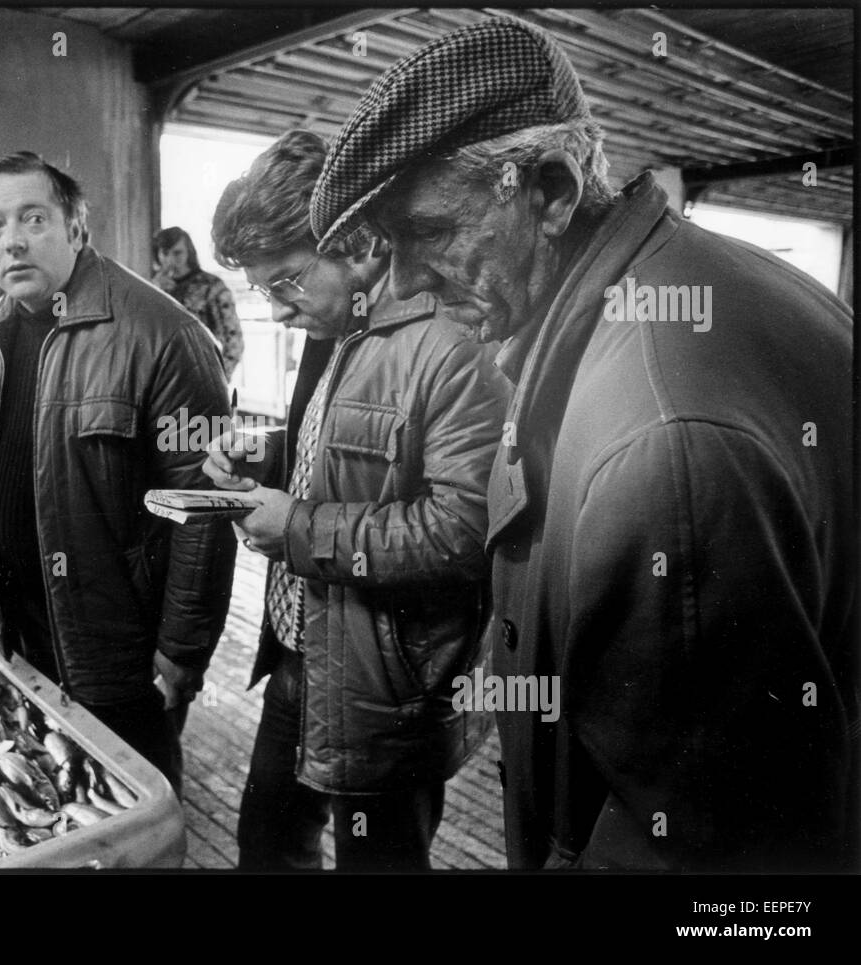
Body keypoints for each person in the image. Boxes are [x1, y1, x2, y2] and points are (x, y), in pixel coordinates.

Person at [312, 16, 858, 872]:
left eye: (428, 232)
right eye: (388, 247)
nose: (405, 283)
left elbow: (709, 862)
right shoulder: (682, 284)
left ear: (553, 190)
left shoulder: (661, 447)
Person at [204, 130, 507, 870]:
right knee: (268, 849)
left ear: (363, 242)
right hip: (301, 656)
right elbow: (354, 452)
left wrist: (299, 528)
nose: (276, 310)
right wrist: (270, 453)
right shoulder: (341, 323)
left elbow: (464, 531)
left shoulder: (453, 343)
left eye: (284, 282)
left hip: (388, 691)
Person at [0, 152, 236, 793]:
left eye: (34, 218)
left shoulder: (165, 334)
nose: (12, 239)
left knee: (131, 809)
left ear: (76, 231)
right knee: (54, 794)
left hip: (115, 645)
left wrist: (183, 649)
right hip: (18, 623)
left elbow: (204, 509)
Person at [152, 227, 243, 380]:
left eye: (177, 253)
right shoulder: (151, 288)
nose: (170, 260)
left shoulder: (212, 286)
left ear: (189, 252)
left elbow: (233, 338)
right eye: (165, 253)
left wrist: (219, 379)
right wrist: (154, 292)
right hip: (162, 378)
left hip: (200, 374)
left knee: (185, 406)